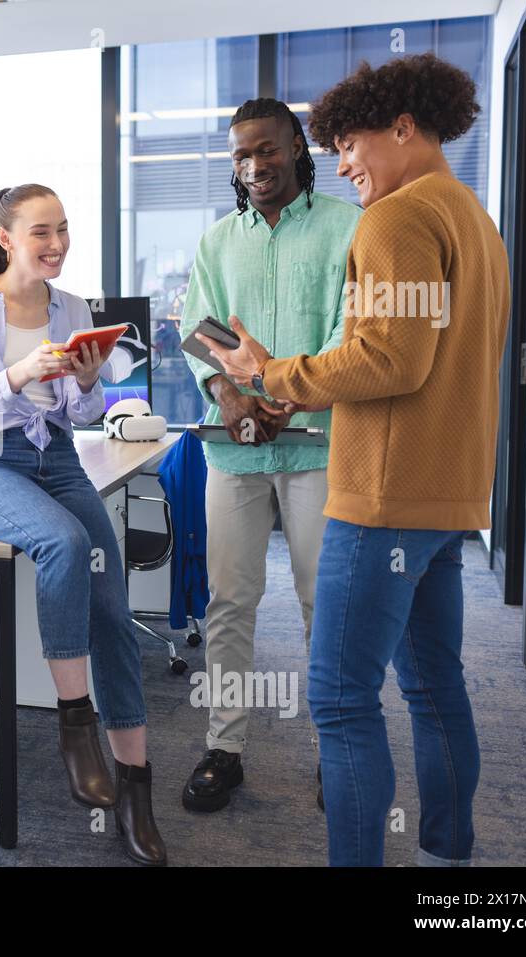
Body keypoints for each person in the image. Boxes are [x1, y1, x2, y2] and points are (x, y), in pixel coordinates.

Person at [198, 53, 510, 866]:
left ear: (402, 128)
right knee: (435, 685)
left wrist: (271, 375)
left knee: (338, 698)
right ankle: (447, 860)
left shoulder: (396, 220)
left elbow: (387, 361)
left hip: (383, 496)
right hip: (448, 499)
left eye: (350, 144)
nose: (343, 164)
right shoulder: (472, 217)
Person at [0, 184, 167, 865]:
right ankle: (75, 728)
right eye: (42, 230)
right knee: (62, 541)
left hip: (56, 459)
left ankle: (137, 788)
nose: (57, 242)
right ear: (7, 238)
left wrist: (88, 381)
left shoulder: (71, 307)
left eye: (63, 229)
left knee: (115, 615)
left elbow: (78, 415)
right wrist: (16, 373)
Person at [177, 99, 362, 813]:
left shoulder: (348, 228)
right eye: (240, 155)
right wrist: (226, 392)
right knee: (230, 600)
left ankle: (334, 751)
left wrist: (291, 386)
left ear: (297, 147)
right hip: (236, 450)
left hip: (317, 444)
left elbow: (354, 332)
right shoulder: (220, 241)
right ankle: (225, 747)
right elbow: (202, 331)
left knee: (325, 603)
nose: (254, 165)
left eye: (267, 149)